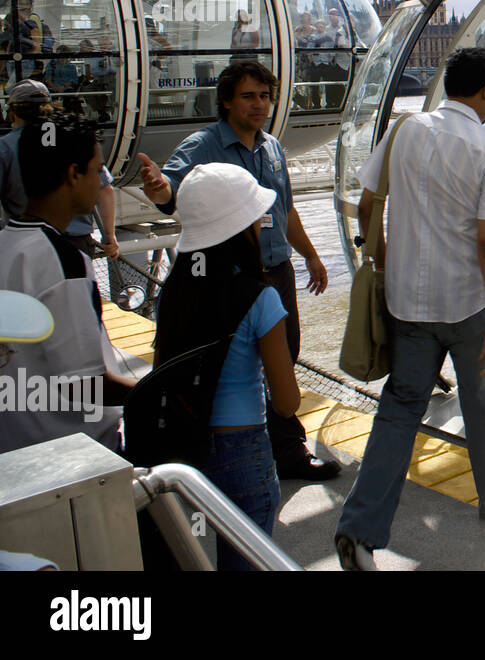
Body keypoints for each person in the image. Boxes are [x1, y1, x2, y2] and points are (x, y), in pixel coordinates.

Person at [334, 47, 485, 570]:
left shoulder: (404, 131)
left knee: (400, 409)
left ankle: (359, 530)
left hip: (407, 304)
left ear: (447, 84)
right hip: (468, 304)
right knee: (481, 405)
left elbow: (365, 203)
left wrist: (379, 255)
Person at [135, 60, 338, 481]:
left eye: (265, 96)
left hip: (274, 269)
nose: (259, 105)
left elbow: (285, 209)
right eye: (248, 96)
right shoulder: (202, 145)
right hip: (226, 275)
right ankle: (208, 448)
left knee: (285, 355)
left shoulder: (272, 148)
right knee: (221, 363)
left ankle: (286, 451)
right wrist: (160, 188)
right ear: (226, 101)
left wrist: (310, 255)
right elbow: (170, 189)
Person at [153, 163, 301, 570]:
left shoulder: (174, 293)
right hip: (244, 450)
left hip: (188, 452)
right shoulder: (261, 297)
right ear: (241, 226)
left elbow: (165, 371)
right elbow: (287, 402)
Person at [0, 111, 135, 454]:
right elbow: (83, 381)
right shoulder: (64, 262)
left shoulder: (8, 244)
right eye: (97, 170)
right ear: (74, 174)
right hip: (77, 454)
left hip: (17, 446)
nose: (101, 183)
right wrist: (159, 393)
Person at [0, 79, 119, 264]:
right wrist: (109, 235)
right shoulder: (73, 137)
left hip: (25, 245)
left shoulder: (5, 147)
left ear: (13, 112)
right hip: (76, 244)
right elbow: (105, 190)